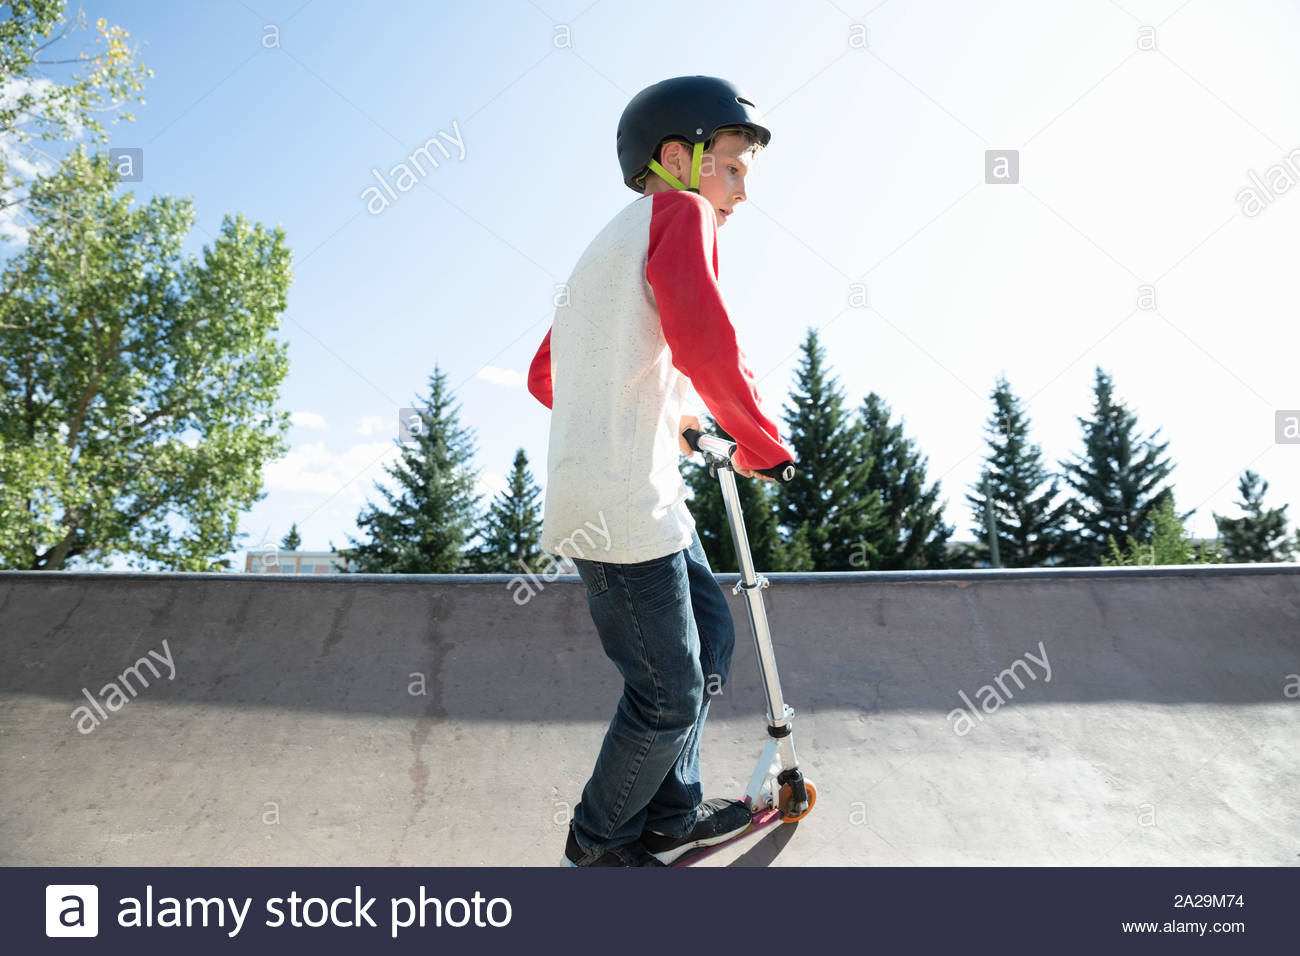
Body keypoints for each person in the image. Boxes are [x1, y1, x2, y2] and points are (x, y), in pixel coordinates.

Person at [526, 75, 797, 866]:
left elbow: (550, 375)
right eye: (733, 168)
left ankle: (672, 812)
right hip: (620, 508)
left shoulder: (604, 246)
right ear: (677, 159)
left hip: (639, 495)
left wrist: (671, 423)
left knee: (710, 639)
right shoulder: (681, 212)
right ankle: (600, 847)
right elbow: (705, 337)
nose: (742, 193)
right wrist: (759, 442)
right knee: (666, 693)